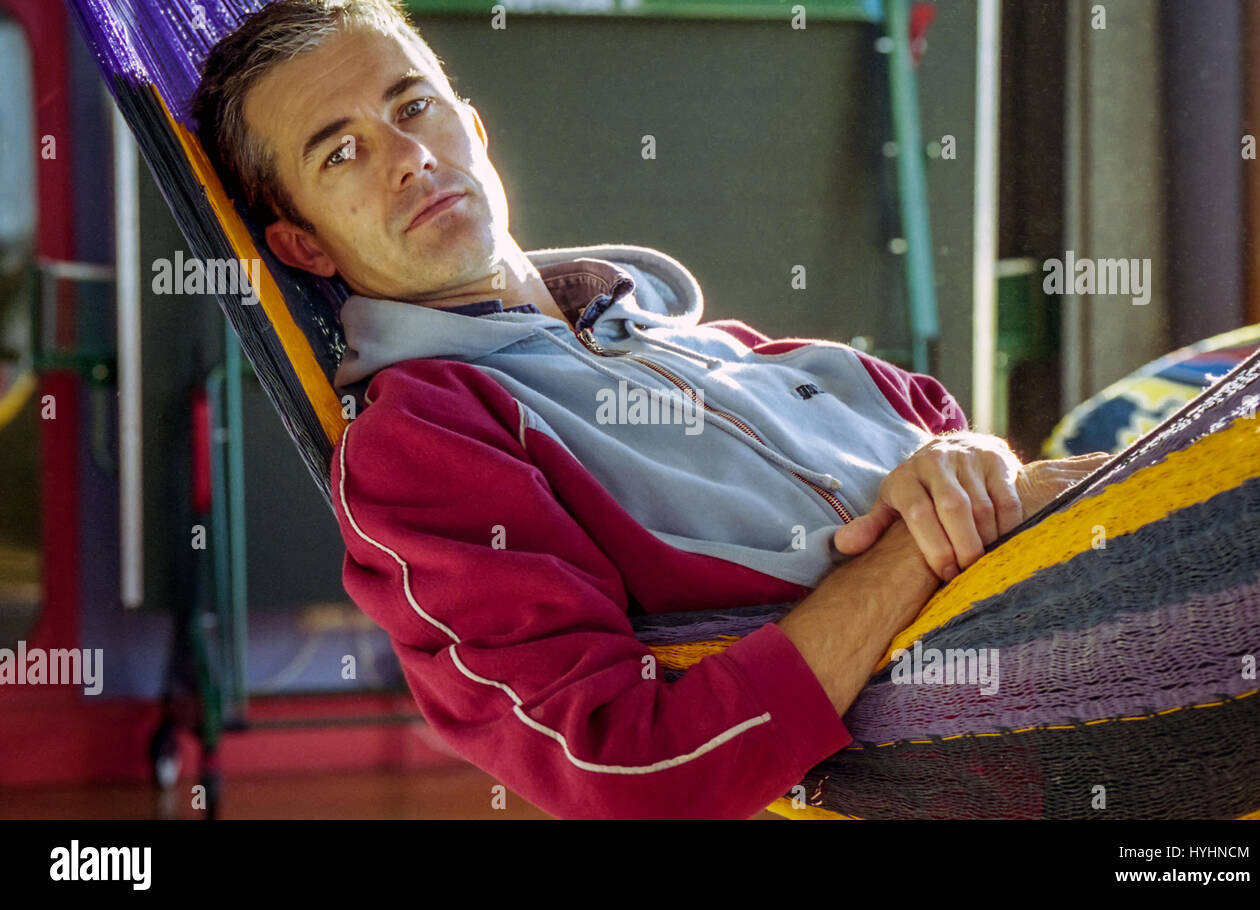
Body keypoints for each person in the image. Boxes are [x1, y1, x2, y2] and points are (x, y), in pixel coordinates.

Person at [191, 0, 1107, 819]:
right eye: (341, 151)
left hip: (1081, 616)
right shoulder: (426, 440)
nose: (411, 159)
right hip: (1021, 712)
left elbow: (922, 418)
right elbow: (624, 771)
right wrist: (921, 546)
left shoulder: (675, 335)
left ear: (475, 129)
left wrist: (970, 457)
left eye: (413, 105)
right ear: (302, 243)